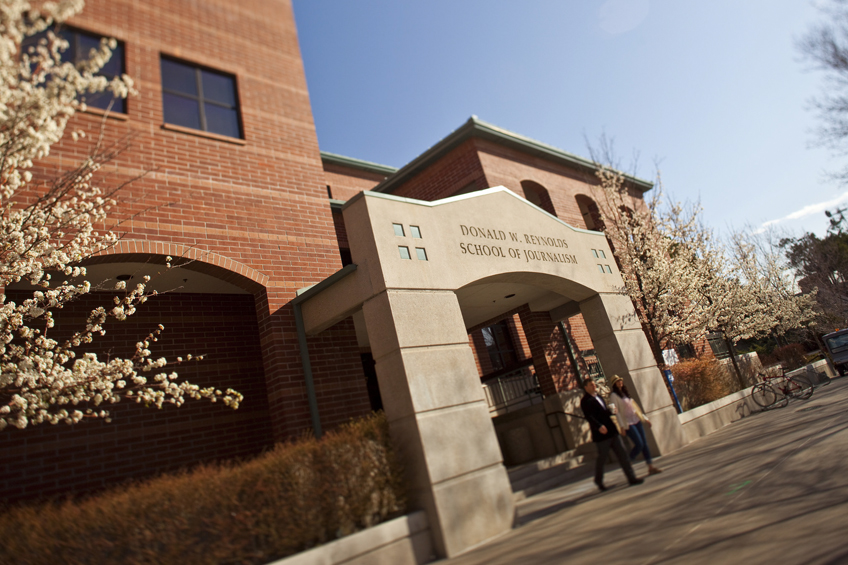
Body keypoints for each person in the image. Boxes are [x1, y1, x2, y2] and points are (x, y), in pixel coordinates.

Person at [579, 378, 643, 491]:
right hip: (601, 435)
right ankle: (598, 480)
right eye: (591, 385)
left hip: (612, 432)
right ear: (586, 387)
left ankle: (632, 478)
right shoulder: (585, 401)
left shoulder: (599, 397)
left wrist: (611, 411)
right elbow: (590, 417)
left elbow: (604, 412)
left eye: (594, 384)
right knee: (602, 458)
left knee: (623, 454)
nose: (594, 386)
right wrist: (598, 426)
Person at [609, 374, 663, 476]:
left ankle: (650, 467)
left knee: (644, 443)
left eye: (620, 380)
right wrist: (621, 426)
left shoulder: (625, 393)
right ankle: (628, 462)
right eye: (617, 381)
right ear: (614, 384)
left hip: (636, 420)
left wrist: (645, 418)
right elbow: (617, 413)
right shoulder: (614, 396)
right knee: (639, 444)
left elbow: (635, 408)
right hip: (627, 423)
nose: (620, 382)